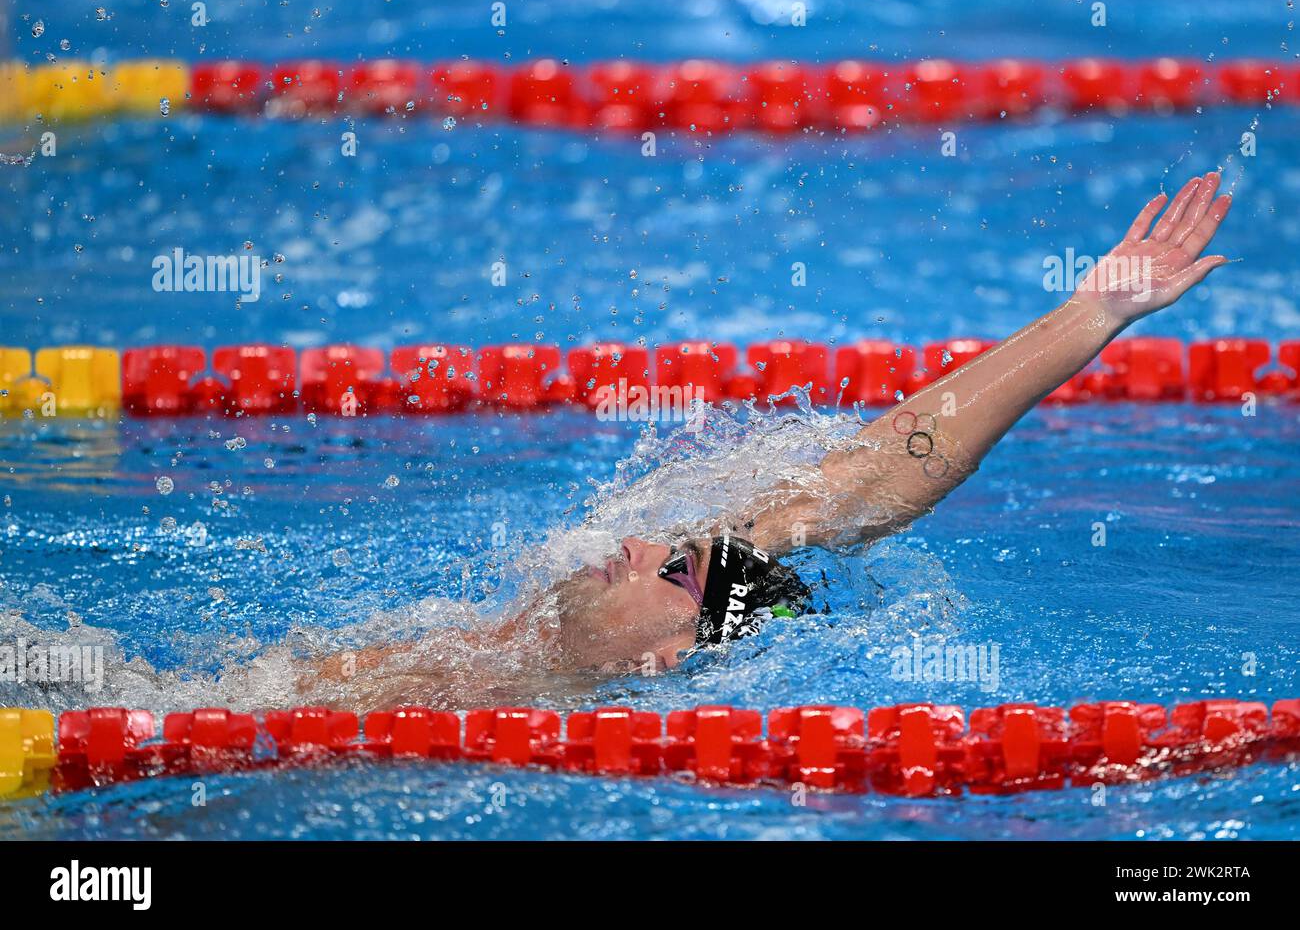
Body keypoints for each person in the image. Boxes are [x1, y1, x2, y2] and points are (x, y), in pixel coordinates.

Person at [304, 171, 1232, 706]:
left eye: (671, 572)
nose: (633, 543)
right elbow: (869, 477)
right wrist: (1088, 311)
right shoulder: (478, 646)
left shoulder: (515, 721)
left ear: (661, 662)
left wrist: (1094, 316)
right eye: (669, 554)